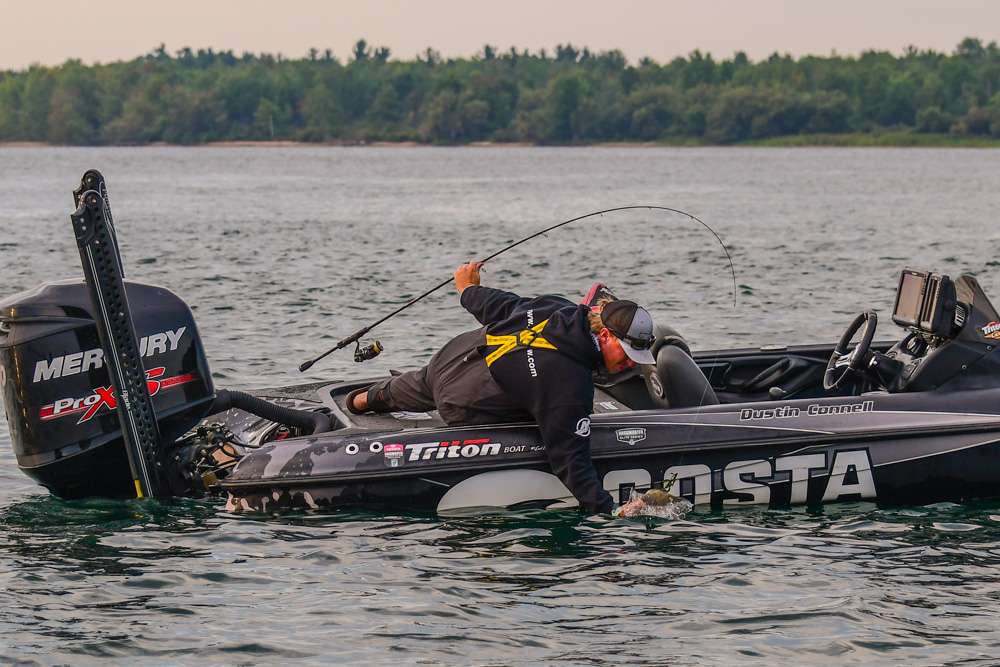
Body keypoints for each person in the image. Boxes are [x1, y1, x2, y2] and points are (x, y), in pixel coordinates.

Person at [348, 261, 656, 515]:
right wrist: (609, 511)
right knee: (537, 419)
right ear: (604, 336)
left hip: (451, 359)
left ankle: (357, 402)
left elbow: (500, 306)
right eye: (628, 355)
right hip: (463, 403)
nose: (631, 364)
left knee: (407, 388)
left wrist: (468, 287)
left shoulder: (558, 307)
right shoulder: (569, 386)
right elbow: (569, 460)